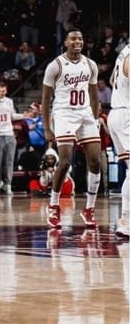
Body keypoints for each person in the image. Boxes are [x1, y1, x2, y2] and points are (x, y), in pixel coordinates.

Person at [41, 29, 102, 229]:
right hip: (64, 113)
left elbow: (94, 95)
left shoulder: (90, 64)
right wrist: (47, 127)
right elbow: (45, 99)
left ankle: (89, 209)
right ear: (66, 42)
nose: (78, 41)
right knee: (65, 161)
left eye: (81, 38)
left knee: (95, 161)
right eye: (74, 38)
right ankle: (54, 204)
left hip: (85, 114)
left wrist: (95, 118)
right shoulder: (55, 66)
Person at [107, 44, 129, 237]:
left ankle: (125, 220)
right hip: (125, 114)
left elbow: (112, 79)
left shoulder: (123, 51)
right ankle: (126, 220)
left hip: (117, 112)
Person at [0, 82, 23, 195]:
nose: (0, 93)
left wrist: (25, 115)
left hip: (9, 133)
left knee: (9, 161)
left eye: (3, 91)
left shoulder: (9, 101)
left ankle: (8, 184)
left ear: (6, 91)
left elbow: (13, 116)